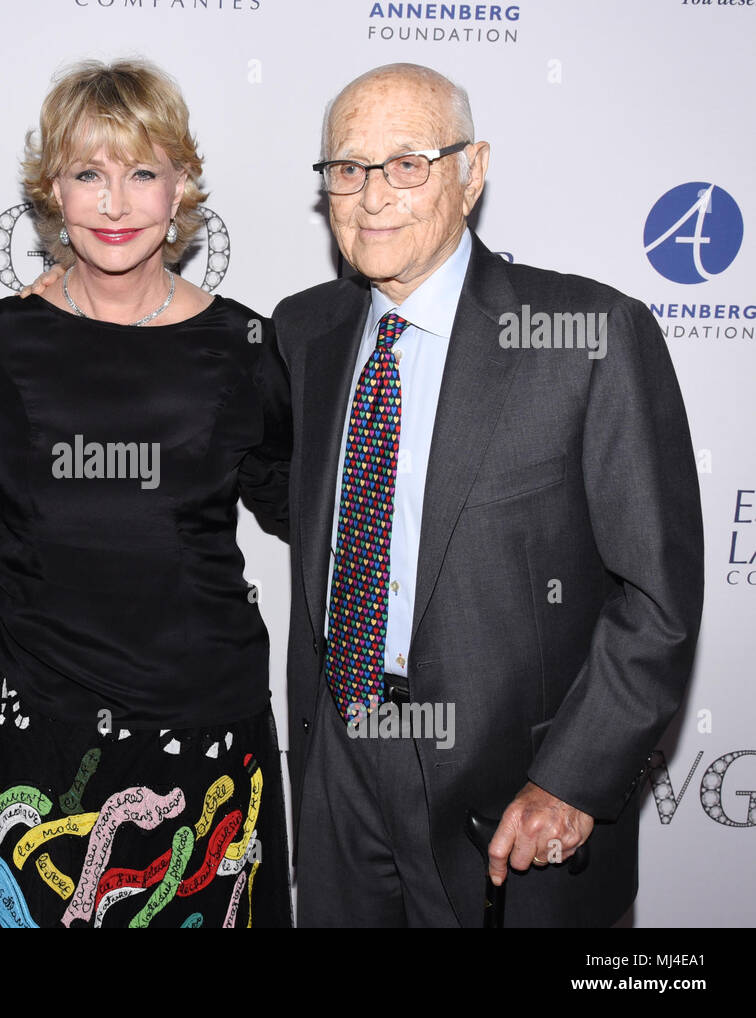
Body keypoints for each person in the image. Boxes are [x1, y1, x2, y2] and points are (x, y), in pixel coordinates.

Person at [273, 62, 704, 926]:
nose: (371, 195)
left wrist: (568, 781)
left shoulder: (586, 336)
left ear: (472, 172)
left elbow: (657, 598)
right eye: (346, 169)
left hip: (506, 792)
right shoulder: (303, 332)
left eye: (408, 163)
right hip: (339, 769)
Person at [0, 59, 293, 928]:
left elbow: (298, 505)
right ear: (52, 192)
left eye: (142, 173)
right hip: (44, 723)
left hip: (205, 725)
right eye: (88, 174)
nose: (114, 203)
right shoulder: (0, 339)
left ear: (181, 191)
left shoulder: (245, 342)